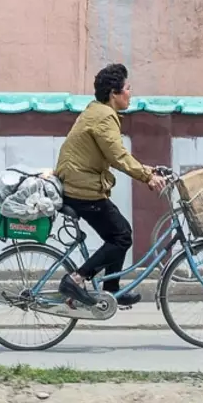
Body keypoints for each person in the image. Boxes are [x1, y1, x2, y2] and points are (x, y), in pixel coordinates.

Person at [54, 63, 165, 307]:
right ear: (114, 93)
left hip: (80, 184)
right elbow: (118, 156)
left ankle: (111, 290)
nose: (130, 93)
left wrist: (148, 170)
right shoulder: (104, 117)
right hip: (81, 189)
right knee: (122, 236)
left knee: (118, 233)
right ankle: (77, 279)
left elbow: (117, 154)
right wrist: (147, 176)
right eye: (127, 88)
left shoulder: (97, 110)